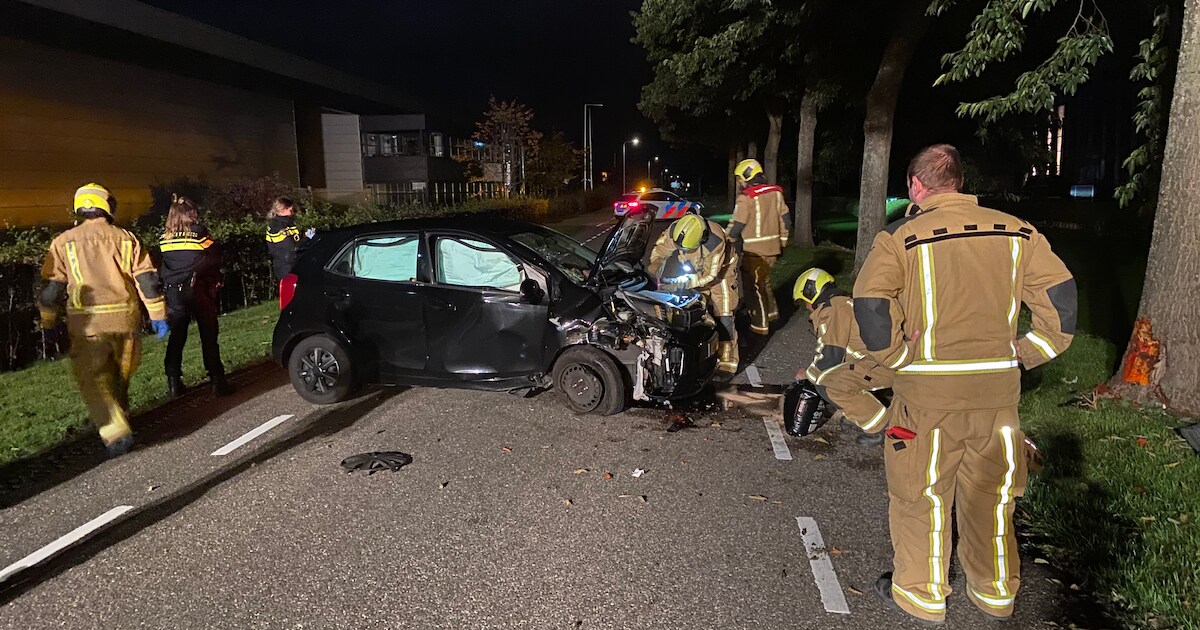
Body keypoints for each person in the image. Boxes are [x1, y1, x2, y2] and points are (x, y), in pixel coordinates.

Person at [853, 144, 1076, 624]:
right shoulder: (1018, 233)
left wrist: (895, 356)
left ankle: (921, 594)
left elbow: (870, 303)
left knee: (920, 496)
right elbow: (1061, 299)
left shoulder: (900, 239)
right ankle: (995, 593)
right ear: (957, 181)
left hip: (926, 399)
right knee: (991, 497)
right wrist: (1027, 352)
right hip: (997, 399)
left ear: (916, 186)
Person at [37, 183, 169, 458]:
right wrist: (158, 316)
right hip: (126, 320)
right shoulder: (126, 238)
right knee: (119, 376)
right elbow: (147, 281)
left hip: (88, 326)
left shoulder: (62, 243)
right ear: (108, 206)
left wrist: (48, 322)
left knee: (94, 381)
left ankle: (115, 433)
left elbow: (52, 290)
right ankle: (124, 421)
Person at [792, 267, 895, 447]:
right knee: (836, 375)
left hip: (880, 367)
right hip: (879, 362)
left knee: (827, 383)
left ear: (811, 293)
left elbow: (830, 356)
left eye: (804, 302)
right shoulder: (842, 304)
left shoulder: (832, 310)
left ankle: (880, 426)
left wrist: (808, 375)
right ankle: (858, 413)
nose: (807, 308)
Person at [647, 214, 741, 378]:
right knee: (697, 312)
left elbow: (711, 276)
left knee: (724, 315)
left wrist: (685, 283)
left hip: (723, 274)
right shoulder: (676, 231)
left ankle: (727, 363)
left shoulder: (715, 241)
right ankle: (704, 354)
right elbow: (661, 248)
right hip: (695, 270)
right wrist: (656, 262)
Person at [160, 196, 232, 398]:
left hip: (174, 292)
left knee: (177, 337)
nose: (196, 215)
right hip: (198, 289)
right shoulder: (198, 233)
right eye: (193, 211)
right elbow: (216, 254)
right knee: (208, 335)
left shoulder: (163, 237)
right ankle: (217, 380)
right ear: (187, 213)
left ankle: (173, 381)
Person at [728, 159, 790, 335]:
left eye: (740, 178)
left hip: (754, 252)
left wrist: (726, 242)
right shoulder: (776, 193)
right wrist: (782, 243)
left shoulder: (746, 197)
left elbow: (737, 225)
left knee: (753, 288)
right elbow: (785, 221)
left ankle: (759, 326)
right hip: (773, 249)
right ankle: (772, 315)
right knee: (765, 283)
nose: (740, 183)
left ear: (747, 175)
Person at [265, 196, 314, 281]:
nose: (292, 212)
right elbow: (292, 247)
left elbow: (296, 240)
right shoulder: (276, 227)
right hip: (285, 267)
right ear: (282, 210)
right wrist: (307, 239)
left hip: (293, 263)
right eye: (290, 209)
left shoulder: (288, 223)